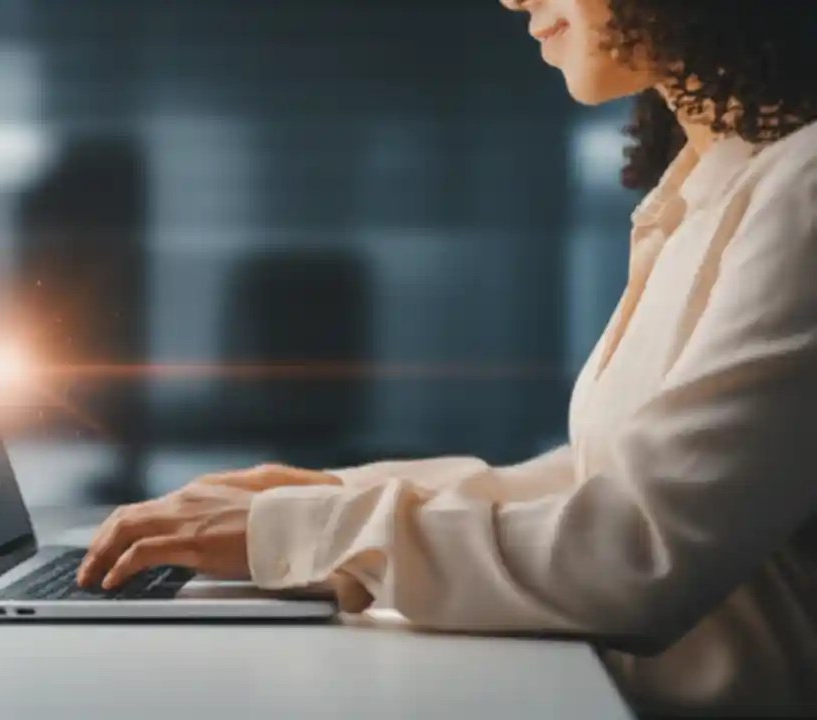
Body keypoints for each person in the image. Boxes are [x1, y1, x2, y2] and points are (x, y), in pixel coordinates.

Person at [76, 0, 817, 715]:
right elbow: (600, 482)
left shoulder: (802, 189)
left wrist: (310, 532)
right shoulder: (714, 188)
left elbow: (635, 554)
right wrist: (327, 496)